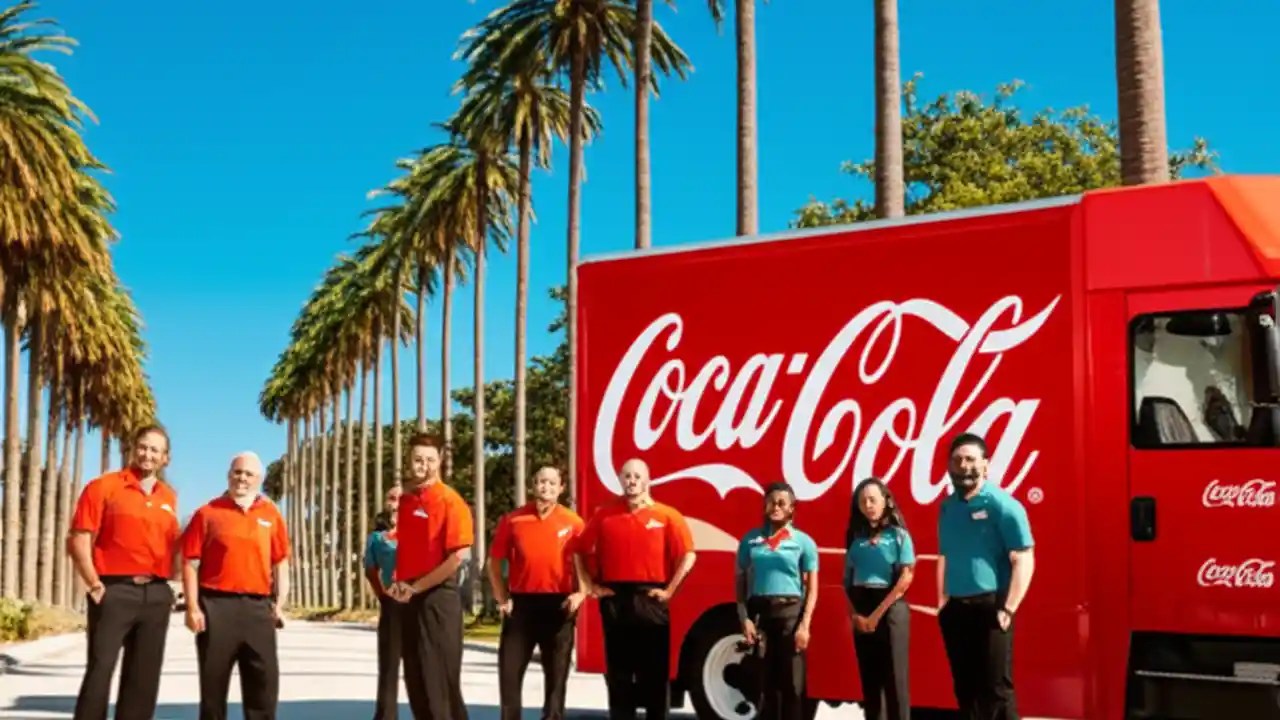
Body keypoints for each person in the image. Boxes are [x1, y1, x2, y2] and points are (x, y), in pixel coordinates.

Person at [67, 424, 180, 720]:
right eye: (143, 446)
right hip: (113, 591)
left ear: (165, 458)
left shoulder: (168, 497)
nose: (147, 454)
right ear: (133, 448)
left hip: (156, 594)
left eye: (155, 450)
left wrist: (175, 587)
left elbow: (173, 546)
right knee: (100, 670)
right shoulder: (103, 486)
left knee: (143, 678)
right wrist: (93, 583)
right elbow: (79, 537)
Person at [573, 458, 696, 720]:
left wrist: (670, 591)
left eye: (637, 476)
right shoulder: (604, 514)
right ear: (620, 480)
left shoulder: (667, 515)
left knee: (654, 671)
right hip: (615, 599)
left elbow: (688, 556)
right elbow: (579, 551)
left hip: (651, 597)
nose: (632, 481)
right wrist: (591, 586)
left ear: (647, 479)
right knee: (618, 672)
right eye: (627, 476)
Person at [181, 451, 291, 720]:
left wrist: (280, 604)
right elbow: (190, 563)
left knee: (263, 686)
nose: (242, 478)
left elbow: (281, 562)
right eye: (237, 472)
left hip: (258, 610)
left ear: (259, 480)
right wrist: (193, 607)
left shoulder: (271, 514)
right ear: (229, 474)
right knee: (213, 689)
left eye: (249, 474)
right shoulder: (207, 513)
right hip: (216, 607)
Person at [937, 432, 1035, 720]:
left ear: (986, 465)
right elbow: (946, 557)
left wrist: (1009, 608)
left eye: (970, 459)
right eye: (957, 460)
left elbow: (1024, 559)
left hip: (991, 606)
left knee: (997, 690)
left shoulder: (1003, 506)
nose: (963, 465)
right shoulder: (948, 507)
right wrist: (942, 604)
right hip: (956, 608)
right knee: (966, 689)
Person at [488, 466, 586, 720]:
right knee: (509, 673)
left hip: (559, 605)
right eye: (542, 482)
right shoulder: (513, 520)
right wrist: (502, 597)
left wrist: (581, 594)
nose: (546, 487)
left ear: (561, 489)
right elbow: (494, 561)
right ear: (533, 485)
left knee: (556, 678)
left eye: (553, 483)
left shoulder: (574, 523)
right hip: (521, 606)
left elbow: (584, 564)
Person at [387, 433, 473, 720]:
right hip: (409, 598)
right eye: (418, 459)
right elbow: (408, 551)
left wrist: (418, 586)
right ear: (409, 461)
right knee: (416, 681)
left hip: (439, 599)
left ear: (440, 461)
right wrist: (401, 584)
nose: (423, 465)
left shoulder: (450, 501)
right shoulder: (408, 502)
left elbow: (457, 557)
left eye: (430, 460)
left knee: (440, 687)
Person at [735, 481, 819, 720]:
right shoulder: (750, 540)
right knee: (765, 684)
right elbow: (740, 583)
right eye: (771, 502)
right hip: (761, 613)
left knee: (792, 685)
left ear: (792, 508)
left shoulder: (804, 542)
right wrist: (745, 620)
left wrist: (805, 625)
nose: (776, 507)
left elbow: (812, 589)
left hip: (791, 613)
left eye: (782, 503)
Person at [845, 477, 915, 720]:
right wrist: (855, 615)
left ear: (886, 501)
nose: (868, 505)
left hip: (891, 608)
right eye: (863, 501)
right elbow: (847, 581)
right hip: (862, 608)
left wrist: (876, 615)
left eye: (872, 499)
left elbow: (905, 579)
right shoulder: (856, 540)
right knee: (870, 680)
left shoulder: (899, 536)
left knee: (895, 678)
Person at [364, 484, 403, 720]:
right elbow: (370, 569)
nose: (396, 501)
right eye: (392, 497)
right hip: (392, 606)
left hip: (421, 604)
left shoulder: (421, 529)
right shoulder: (377, 538)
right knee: (389, 668)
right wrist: (384, 596)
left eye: (401, 498)